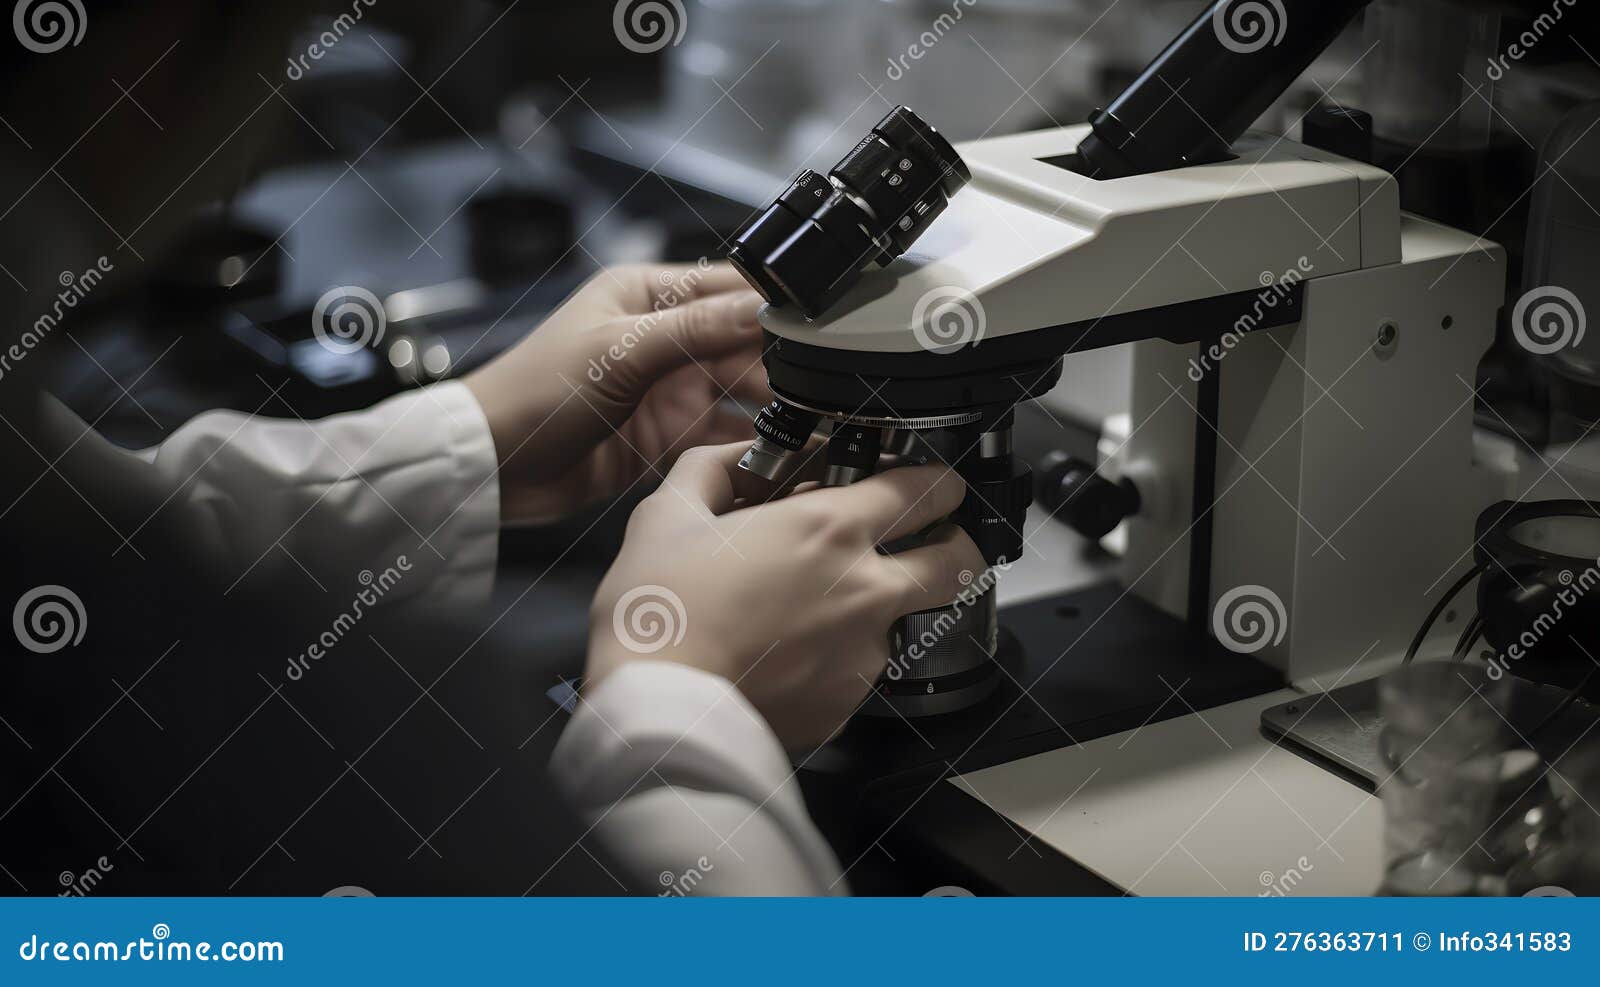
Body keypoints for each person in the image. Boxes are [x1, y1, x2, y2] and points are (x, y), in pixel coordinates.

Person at [0, 4, 986, 895]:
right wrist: (685, 712)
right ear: (162, 51)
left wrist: (466, 441)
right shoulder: (390, 730)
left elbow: (95, 519)